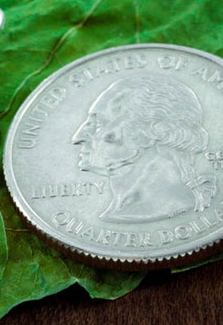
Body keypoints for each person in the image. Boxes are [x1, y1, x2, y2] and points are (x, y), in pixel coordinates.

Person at [72, 75, 215, 222]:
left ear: (155, 131)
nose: (77, 138)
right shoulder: (119, 211)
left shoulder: (173, 207)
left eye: (98, 124)